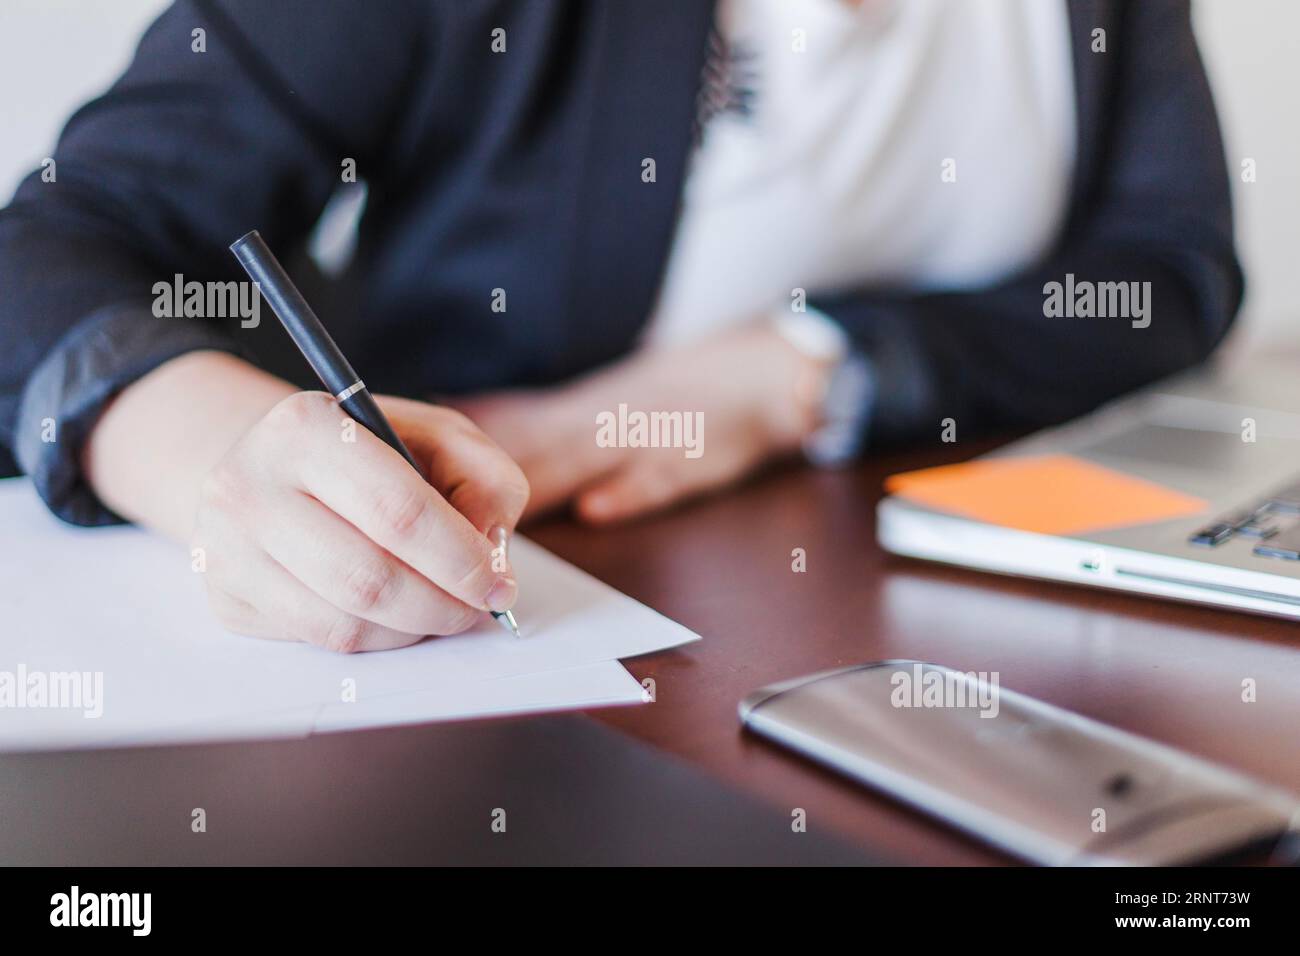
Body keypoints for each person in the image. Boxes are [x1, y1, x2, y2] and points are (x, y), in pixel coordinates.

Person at [0, 0, 1241, 652]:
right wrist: (220, 458)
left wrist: (798, 371)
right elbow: (50, 247)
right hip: (512, 641)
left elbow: (1170, 271)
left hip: (912, 623)